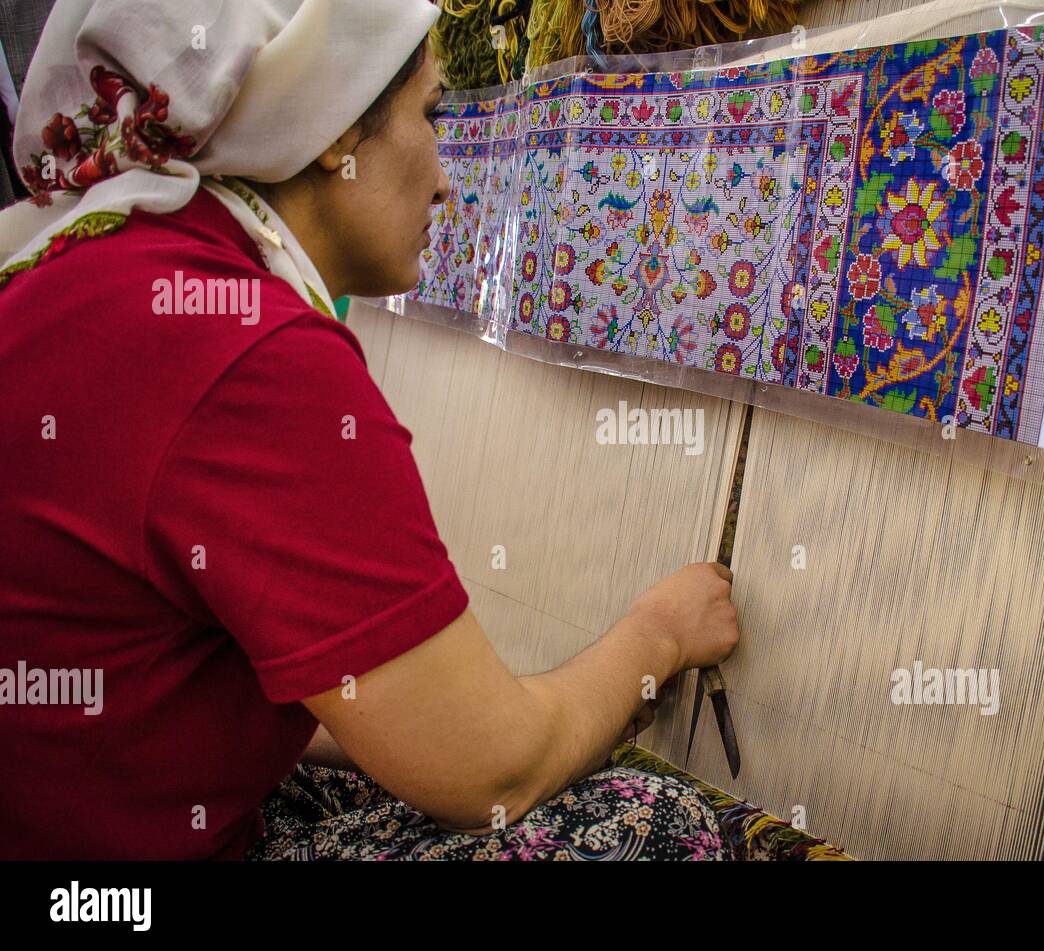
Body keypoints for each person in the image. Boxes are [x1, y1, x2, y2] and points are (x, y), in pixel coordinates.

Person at [0, 0, 740, 861]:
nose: (446, 179)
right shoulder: (249, 347)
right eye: (430, 115)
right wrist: (658, 635)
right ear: (334, 127)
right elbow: (492, 775)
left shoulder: (80, 269)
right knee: (652, 821)